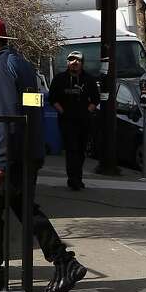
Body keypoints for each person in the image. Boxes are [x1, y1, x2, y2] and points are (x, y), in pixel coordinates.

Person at [0, 17, 88, 292]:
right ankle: (62, 261)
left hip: (11, 156)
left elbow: (4, 118)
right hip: (27, 151)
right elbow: (30, 107)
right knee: (22, 209)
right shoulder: (21, 64)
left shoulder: (0, 69)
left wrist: (0, 161)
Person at [49, 50, 100, 191]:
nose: (74, 62)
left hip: (84, 121)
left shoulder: (88, 79)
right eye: (72, 60)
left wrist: (87, 111)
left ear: (82, 63)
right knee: (71, 149)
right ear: (67, 63)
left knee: (81, 150)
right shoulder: (60, 79)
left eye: (78, 60)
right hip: (67, 121)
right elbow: (53, 99)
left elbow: (95, 99)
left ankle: (78, 177)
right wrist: (62, 111)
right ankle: (73, 179)